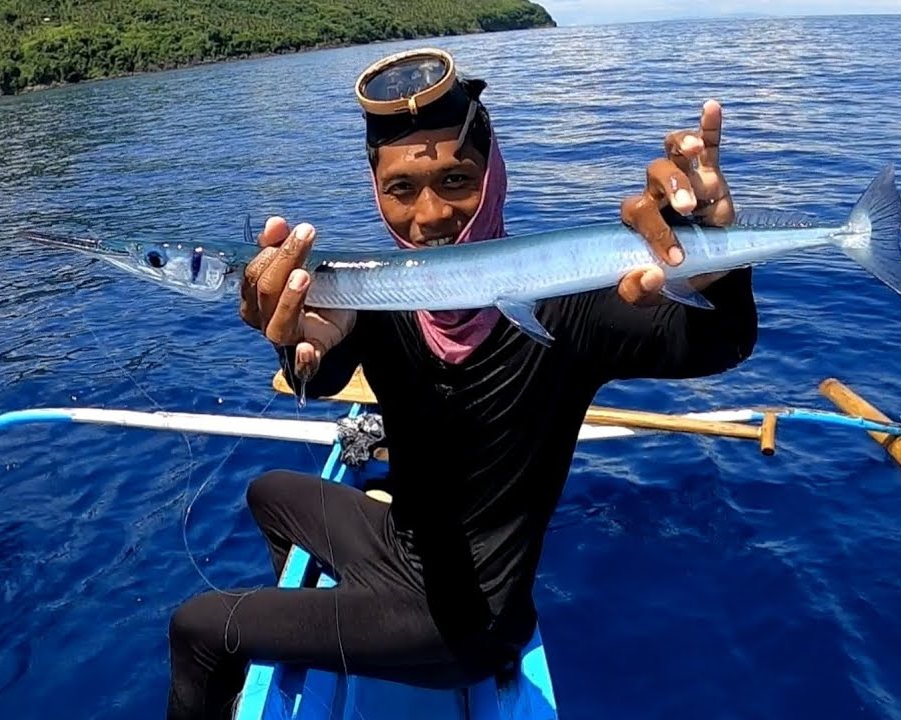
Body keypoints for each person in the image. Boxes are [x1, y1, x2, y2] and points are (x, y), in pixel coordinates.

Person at [167, 47, 758, 719]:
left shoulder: (566, 304)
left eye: (457, 180)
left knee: (197, 629)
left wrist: (716, 263)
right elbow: (321, 361)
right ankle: (329, 631)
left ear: (495, 173)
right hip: (403, 547)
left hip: (465, 621)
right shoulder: (379, 298)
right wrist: (295, 346)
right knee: (269, 491)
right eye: (401, 189)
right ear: (376, 193)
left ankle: (340, 638)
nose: (430, 215)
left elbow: (718, 342)